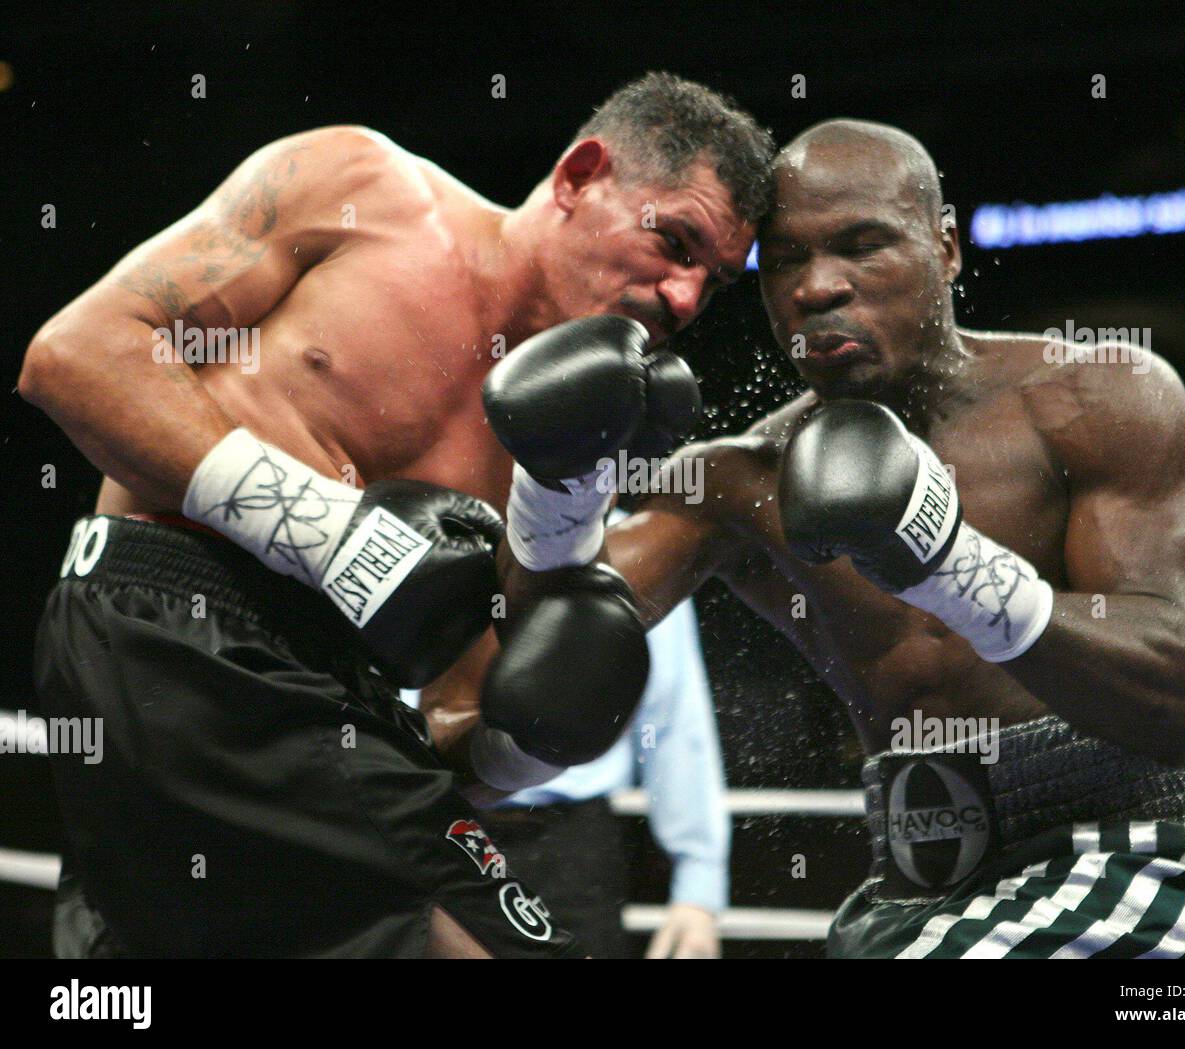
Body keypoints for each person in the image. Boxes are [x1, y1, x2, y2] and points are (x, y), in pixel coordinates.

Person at [444, 119, 1185, 958]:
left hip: (1138, 864)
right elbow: (541, 652)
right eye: (783, 262)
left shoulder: (1095, 398)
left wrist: (947, 562)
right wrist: (557, 485)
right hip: (914, 894)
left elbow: (1180, 698)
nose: (817, 288)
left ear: (946, 247)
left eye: (861, 245)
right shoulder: (736, 482)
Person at [19, 73, 773, 957]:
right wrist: (332, 535)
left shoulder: (571, 454)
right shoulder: (364, 189)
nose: (685, 299)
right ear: (580, 175)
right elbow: (72, 358)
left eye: (715, 282)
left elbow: (451, 720)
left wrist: (523, 750)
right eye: (675, 242)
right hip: (168, 620)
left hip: (333, 694)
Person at [413, 512, 729, 959]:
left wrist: (698, 889)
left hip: (570, 844)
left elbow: (672, 725)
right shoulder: (428, 527)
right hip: (433, 827)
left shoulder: (641, 541)